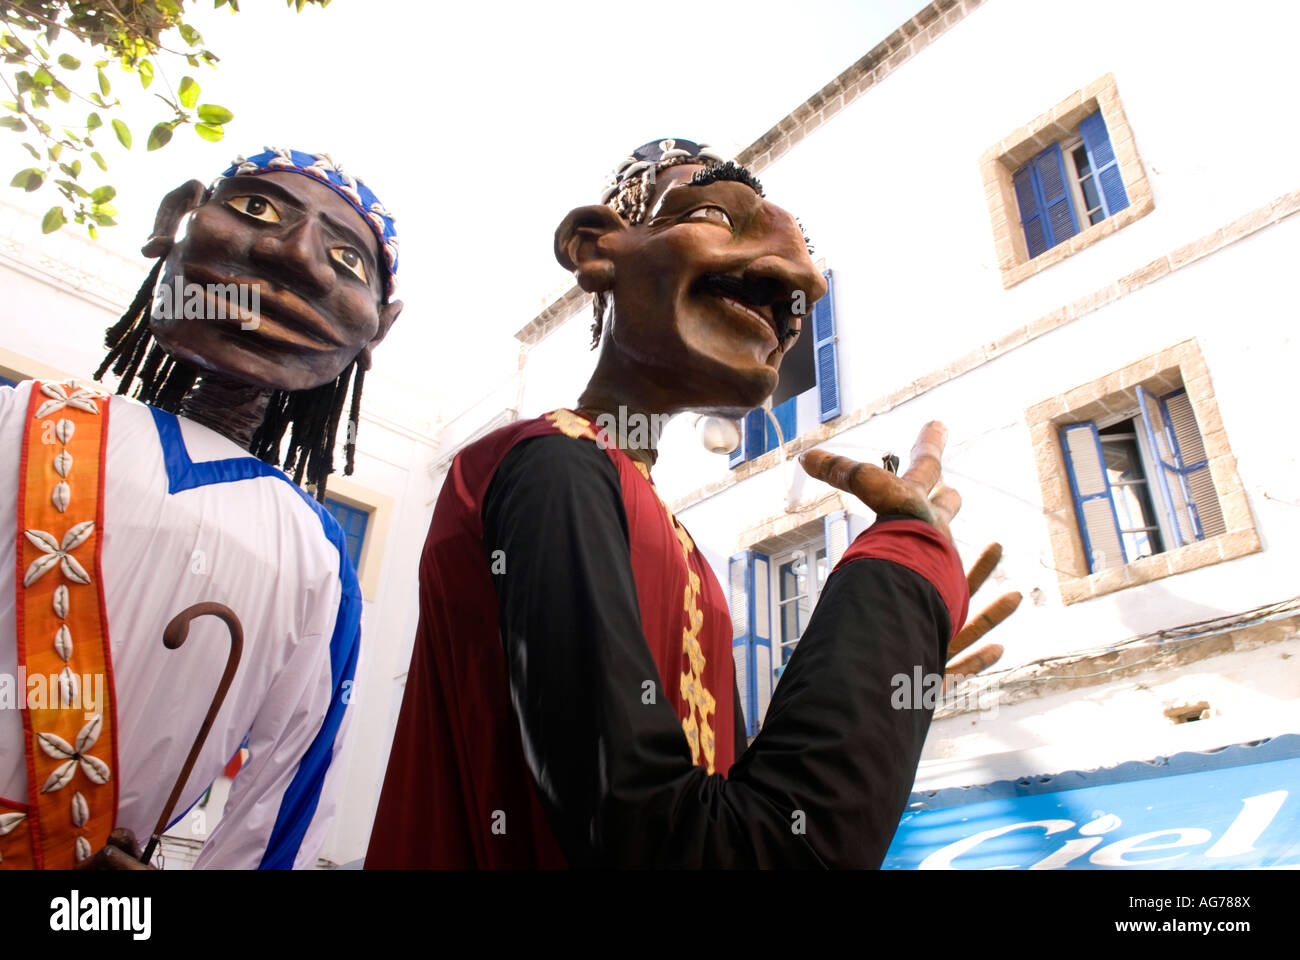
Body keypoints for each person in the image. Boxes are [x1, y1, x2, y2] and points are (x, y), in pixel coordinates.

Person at [366, 139, 1013, 869]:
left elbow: (723, 802)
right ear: (596, 246)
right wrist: (900, 576)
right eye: (717, 214)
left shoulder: (673, 542)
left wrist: (881, 679)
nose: (801, 279)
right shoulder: (548, 463)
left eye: (805, 259)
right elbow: (701, 850)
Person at [0, 147, 401, 869]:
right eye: (256, 209)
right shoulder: (18, 420)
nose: (296, 256)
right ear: (174, 223)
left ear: (377, 330)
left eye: (347, 261)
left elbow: (289, 791)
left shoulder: (315, 555)